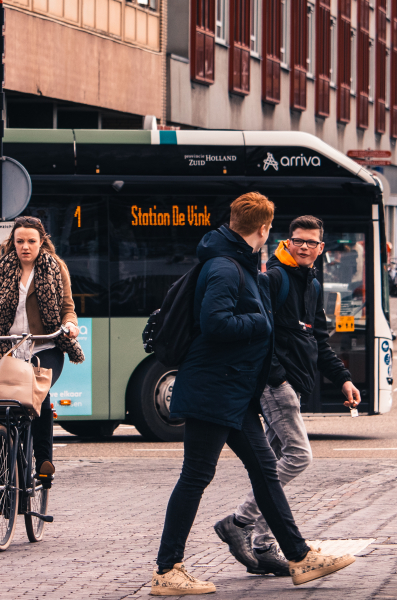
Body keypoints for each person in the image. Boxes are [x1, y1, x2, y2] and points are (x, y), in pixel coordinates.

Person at [148, 193, 354, 595]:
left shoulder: (236, 261)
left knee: (264, 470)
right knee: (196, 476)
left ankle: (299, 557)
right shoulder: (225, 266)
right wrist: (261, 323)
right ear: (264, 228)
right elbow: (215, 323)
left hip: (235, 391)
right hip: (214, 389)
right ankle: (167, 569)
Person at [213, 215, 360, 577]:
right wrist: (276, 376)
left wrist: (343, 379)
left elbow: (318, 339)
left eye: (311, 242)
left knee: (271, 465)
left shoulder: (312, 284)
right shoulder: (274, 279)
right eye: (298, 241)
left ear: (321, 248)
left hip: (294, 383)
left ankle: (264, 546)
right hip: (277, 384)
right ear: (288, 242)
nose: (304, 247)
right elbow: (260, 332)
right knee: (298, 456)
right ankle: (239, 521)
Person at [0, 215, 82, 490]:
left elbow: (67, 307)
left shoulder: (55, 267)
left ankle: (43, 462)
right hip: (5, 347)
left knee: (37, 392)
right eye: (20, 241)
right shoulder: (0, 268)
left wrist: (70, 326)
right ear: (13, 242)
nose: (25, 246)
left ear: (41, 242)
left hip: (45, 346)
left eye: (31, 241)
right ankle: (8, 480)